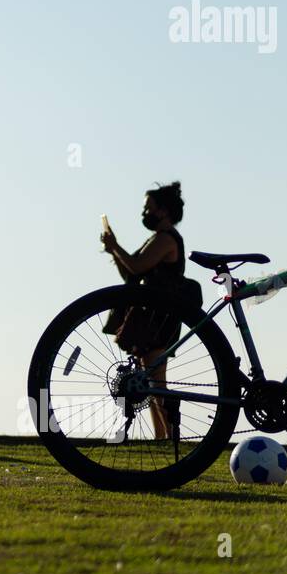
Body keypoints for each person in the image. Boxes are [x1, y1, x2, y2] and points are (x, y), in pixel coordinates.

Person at [100, 181, 189, 440]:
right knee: (150, 382)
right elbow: (131, 274)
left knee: (156, 382)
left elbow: (138, 267)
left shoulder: (166, 239)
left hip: (158, 318)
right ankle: (161, 436)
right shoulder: (157, 238)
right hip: (149, 316)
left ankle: (169, 436)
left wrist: (116, 246)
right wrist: (114, 251)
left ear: (164, 211)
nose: (145, 214)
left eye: (148, 208)